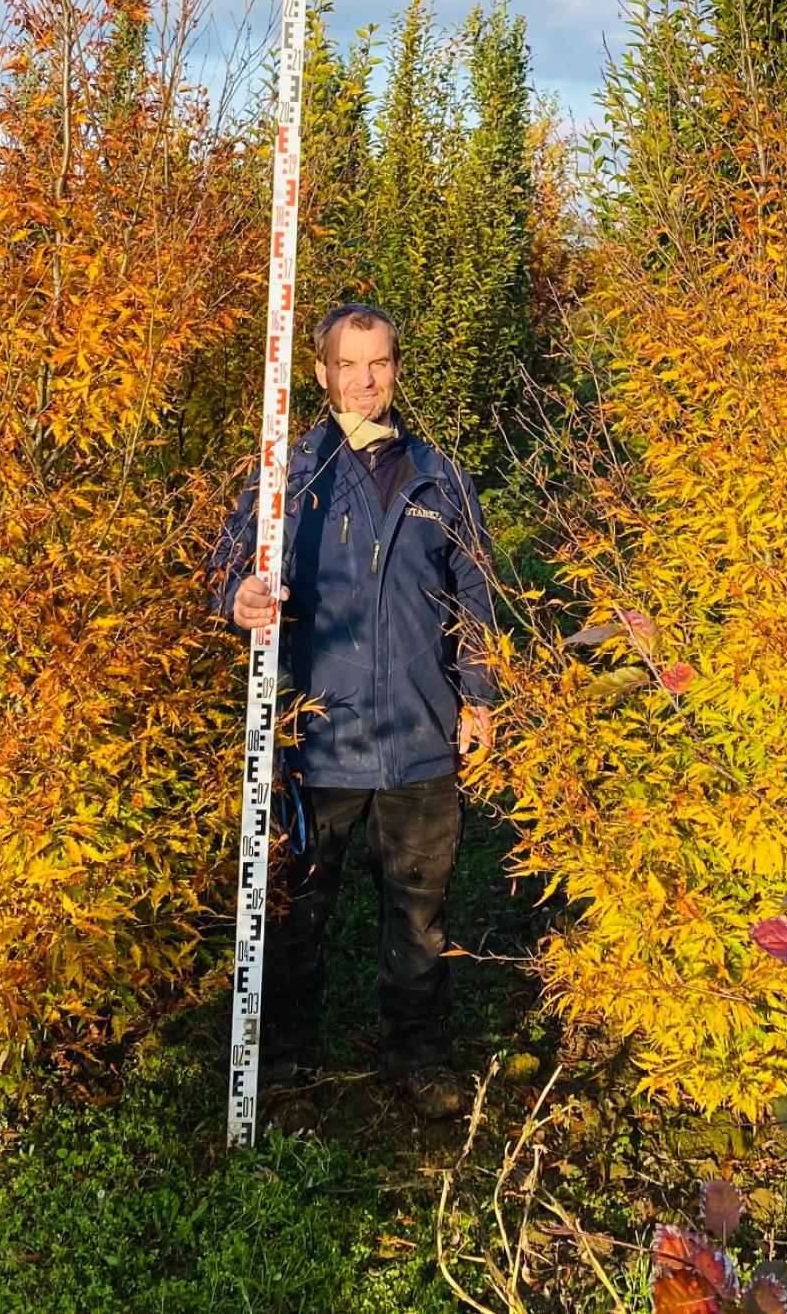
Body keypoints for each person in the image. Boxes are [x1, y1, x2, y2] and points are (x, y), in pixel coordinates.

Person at [210, 302, 497, 1122]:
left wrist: (477, 694)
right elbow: (226, 565)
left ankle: (417, 1054)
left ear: (396, 370)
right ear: (320, 374)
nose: (364, 381)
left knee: (418, 920)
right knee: (298, 913)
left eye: (379, 365)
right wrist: (241, 597)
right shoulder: (288, 477)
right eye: (348, 365)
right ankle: (287, 1059)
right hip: (318, 738)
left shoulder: (438, 478)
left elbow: (475, 594)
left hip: (417, 739)